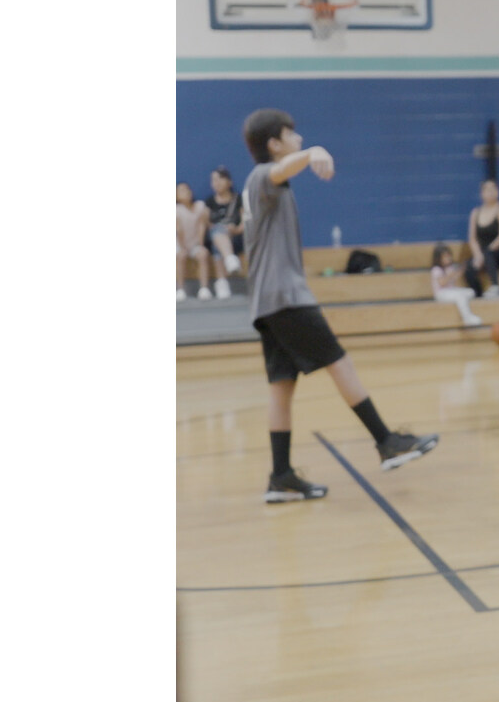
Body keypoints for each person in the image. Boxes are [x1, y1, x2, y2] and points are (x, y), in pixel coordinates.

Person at [239, 107, 441, 503]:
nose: (299, 139)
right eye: (292, 135)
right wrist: (313, 152)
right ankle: (386, 442)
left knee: (281, 388)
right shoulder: (262, 176)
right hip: (285, 297)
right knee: (338, 362)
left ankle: (280, 477)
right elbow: (279, 170)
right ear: (275, 144)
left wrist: (306, 154)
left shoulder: (261, 186)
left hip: (266, 302)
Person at [469, 178, 499, 296]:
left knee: (489, 254)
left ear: (498, 191)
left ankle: (495, 287)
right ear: (481, 193)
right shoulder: (475, 213)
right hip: (484, 254)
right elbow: (473, 239)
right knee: (469, 267)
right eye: (487, 189)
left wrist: (486, 253)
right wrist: (478, 255)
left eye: (493, 189)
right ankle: (478, 294)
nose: (490, 192)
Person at [204, 166, 243, 297]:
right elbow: (207, 223)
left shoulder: (238, 199)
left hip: (236, 238)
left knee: (218, 244)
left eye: (220, 179)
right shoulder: (209, 202)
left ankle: (222, 282)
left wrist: (235, 229)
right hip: (216, 237)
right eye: (214, 180)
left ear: (229, 182)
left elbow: (245, 220)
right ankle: (229, 259)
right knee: (217, 234)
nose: (217, 183)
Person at [430, 243, 486, 327]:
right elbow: (442, 283)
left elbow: (454, 280)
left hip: (451, 291)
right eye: (444, 257)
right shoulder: (436, 270)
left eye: (448, 256)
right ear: (438, 259)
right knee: (460, 297)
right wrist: (451, 275)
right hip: (441, 293)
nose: (448, 258)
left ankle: (465, 310)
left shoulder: (450, 268)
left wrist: (461, 270)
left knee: (470, 292)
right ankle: (467, 318)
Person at [176, 182, 215, 300]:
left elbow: (202, 226)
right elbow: (179, 231)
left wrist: (200, 244)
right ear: (176, 196)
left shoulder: (200, 206)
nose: (186, 193)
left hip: (195, 243)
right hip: (179, 244)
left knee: (203, 254)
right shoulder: (176, 210)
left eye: (187, 190)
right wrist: (183, 247)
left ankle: (204, 288)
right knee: (180, 256)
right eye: (181, 191)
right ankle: (180, 289)